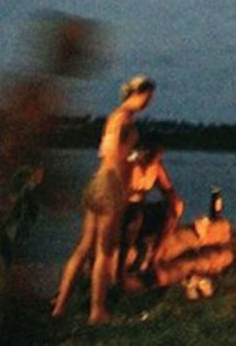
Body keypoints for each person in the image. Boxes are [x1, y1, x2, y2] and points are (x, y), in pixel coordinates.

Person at [52, 75, 156, 323]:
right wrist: (132, 162)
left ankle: (61, 306)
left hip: (98, 182)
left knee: (85, 246)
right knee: (105, 251)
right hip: (111, 185)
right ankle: (98, 311)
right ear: (137, 93)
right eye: (148, 97)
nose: (148, 103)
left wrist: (129, 157)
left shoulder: (116, 117)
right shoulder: (122, 119)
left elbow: (109, 151)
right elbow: (111, 155)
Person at [118, 144, 184, 283]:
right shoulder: (131, 164)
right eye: (151, 155)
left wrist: (175, 201)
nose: (154, 159)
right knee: (136, 215)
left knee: (171, 211)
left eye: (158, 156)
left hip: (140, 209)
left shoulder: (156, 168)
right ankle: (120, 270)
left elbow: (168, 189)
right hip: (123, 212)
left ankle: (154, 260)